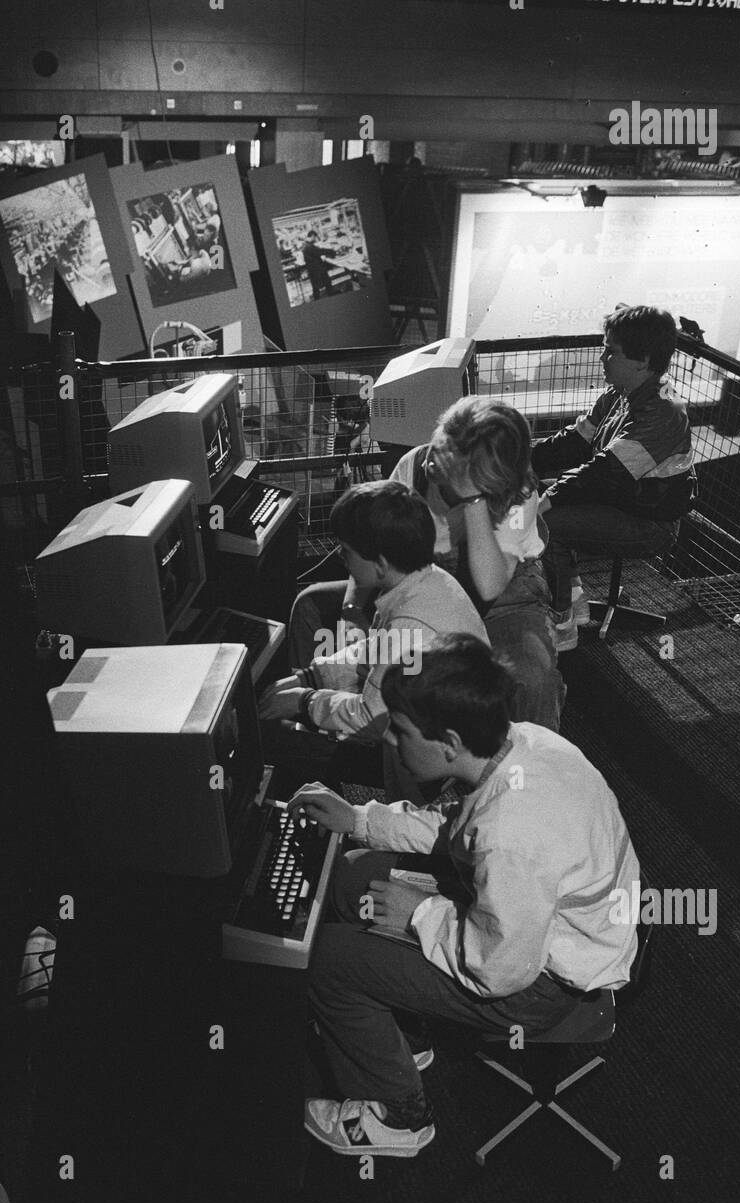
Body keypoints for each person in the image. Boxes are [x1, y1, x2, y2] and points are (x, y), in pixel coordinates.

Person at [288, 636, 640, 1159]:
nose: (388, 740)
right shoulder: (522, 745)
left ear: (449, 741)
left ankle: (398, 1115)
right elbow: (459, 831)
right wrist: (361, 819)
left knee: (330, 962)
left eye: (401, 731)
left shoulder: (513, 836)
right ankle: (399, 1035)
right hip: (537, 926)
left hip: (542, 984)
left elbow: (498, 969)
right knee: (352, 875)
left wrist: (419, 912)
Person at [290, 398, 564, 732]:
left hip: (504, 603)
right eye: (437, 443)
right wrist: (352, 609)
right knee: (310, 606)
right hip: (418, 585)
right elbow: (371, 539)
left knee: (531, 678)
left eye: (447, 456)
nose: (431, 462)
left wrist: (472, 499)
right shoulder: (414, 464)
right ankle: (323, 734)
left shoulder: (517, 495)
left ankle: (522, 775)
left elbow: (490, 586)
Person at [259, 481, 488, 799]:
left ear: (380, 563)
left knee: (274, 739)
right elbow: (377, 649)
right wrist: (312, 676)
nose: (342, 557)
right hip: (440, 730)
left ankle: (317, 815)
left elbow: (371, 719)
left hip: (426, 758)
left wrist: (304, 702)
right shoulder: (427, 579)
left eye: (347, 551)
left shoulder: (410, 624)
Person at [534, 305, 694, 651]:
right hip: (620, 500)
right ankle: (573, 599)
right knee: (531, 494)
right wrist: (515, 459)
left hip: (649, 523)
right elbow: (574, 442)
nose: (602, 358)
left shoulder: (664, 414)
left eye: (611, 351)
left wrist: (549, 498)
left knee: (547, 523)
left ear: (642, 359)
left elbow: (605, 471)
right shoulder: (620, 393)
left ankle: (561, 627)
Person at [301, 230, 336, 299]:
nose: (316, 240)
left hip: (312, 269)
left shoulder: (306, 244)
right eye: (315, 238)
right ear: (313, 236)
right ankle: (331, 296)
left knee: (315, 287)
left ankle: (317, 299)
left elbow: (317, 250)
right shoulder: (308, 246)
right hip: (317, 269)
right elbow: (320, 251)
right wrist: (331, 250)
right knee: (327, 283)